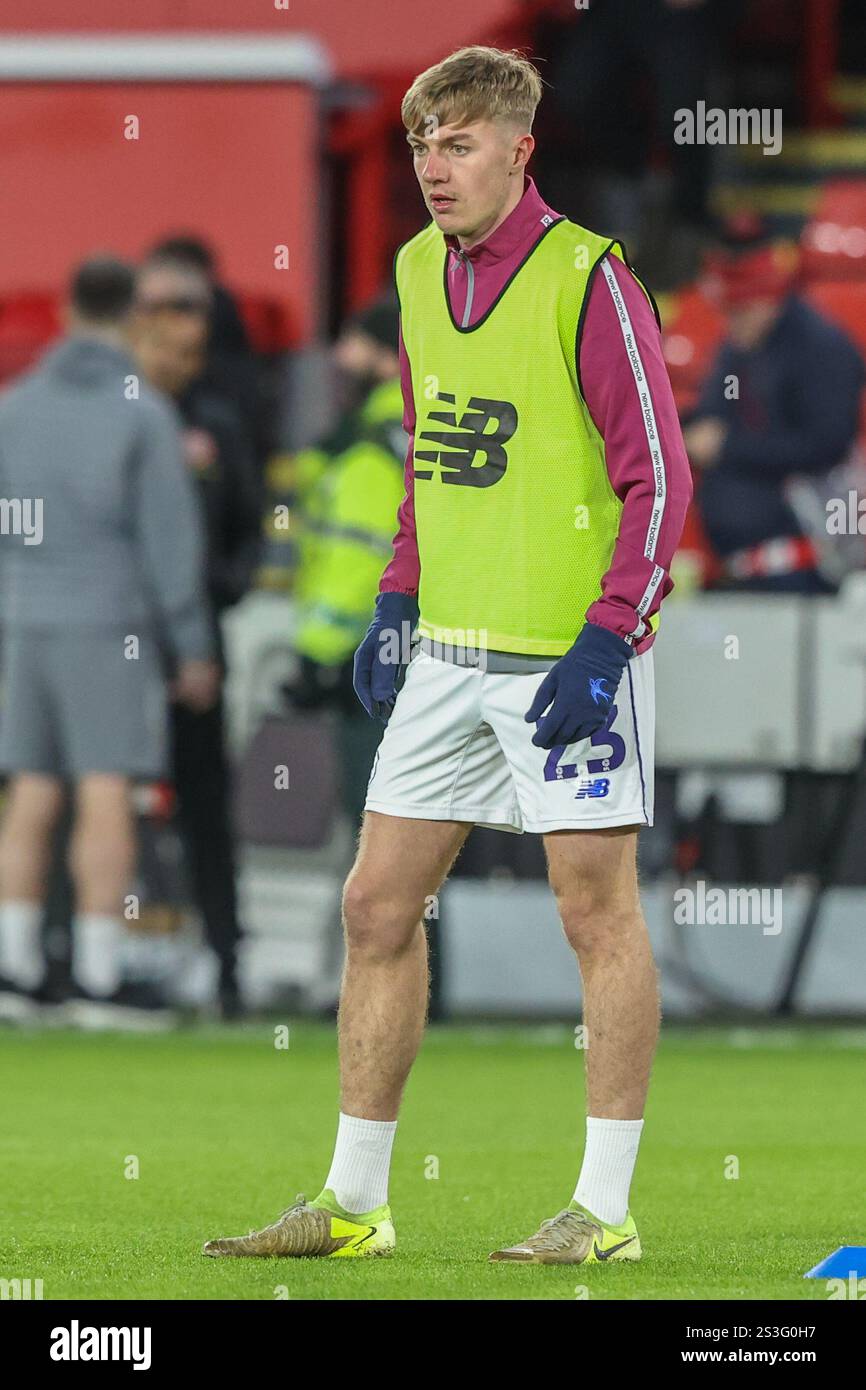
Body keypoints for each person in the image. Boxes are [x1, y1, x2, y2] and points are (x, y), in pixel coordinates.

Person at [203, 46, 692, 1265]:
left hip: (565, 654)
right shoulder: (417, 272)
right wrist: (397, 594)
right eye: (422, 141)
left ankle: (604, 1212)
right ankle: (355, 1204)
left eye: (458, 141)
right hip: (450, 656)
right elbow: (434, 455)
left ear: (519, 149)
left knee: (595, 913)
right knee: (374, 903)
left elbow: (659, 478)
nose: (433, 164)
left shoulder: (590, 278)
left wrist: (606, 635)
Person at [0, 256, 217, 1022]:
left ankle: (16, 969)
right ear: (132, 316)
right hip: (108, 624)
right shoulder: (141, 410)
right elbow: (168, 543)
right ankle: (97, 976)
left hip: (24, 620)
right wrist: (190, 644)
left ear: (63, 310)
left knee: (29, 788)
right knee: (105, 789)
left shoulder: (14, 406)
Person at [134, 310, 262, 1017]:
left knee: (206, 807)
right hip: (115, 640)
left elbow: (250, 521)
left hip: (196, 645)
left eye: (192, 351)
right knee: (95, 800)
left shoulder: (216, 426)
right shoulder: (114, 423)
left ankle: (226, 966)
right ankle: (79, 958)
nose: (181, 362)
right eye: (168, 348)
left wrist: (222, 590)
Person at [684, 220, 866, 593]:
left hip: (813, 542)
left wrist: (727, 446)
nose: (730, 323)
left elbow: (826, 445)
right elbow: (710, 416)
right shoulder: (739, 347)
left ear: (768, 299)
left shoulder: (822, 347)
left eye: (740, 312)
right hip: (743, 551)